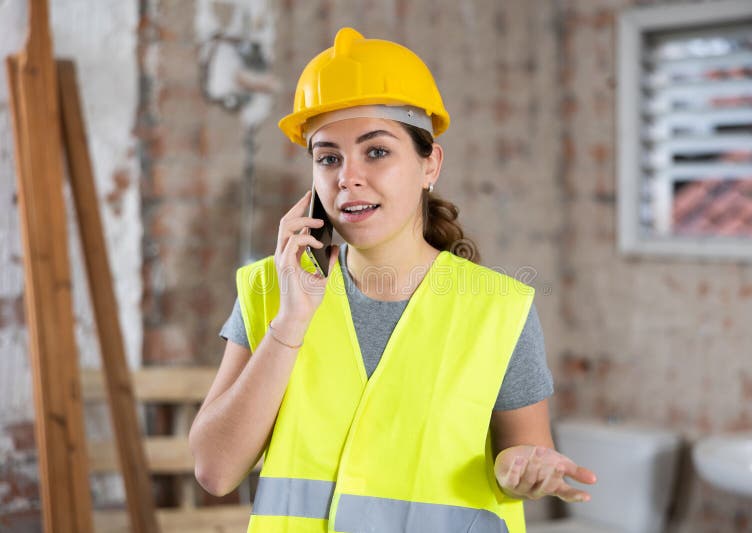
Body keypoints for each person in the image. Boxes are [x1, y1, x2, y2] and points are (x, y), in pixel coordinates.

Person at [189, 27, 596, 533]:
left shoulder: (499, 309)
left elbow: (524, 455)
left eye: (376, 151)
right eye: (328, 158)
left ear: (430, 165)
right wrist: (291, 321)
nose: (348, 177)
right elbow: (215, 471)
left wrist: (521, 470)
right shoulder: (269, 291)